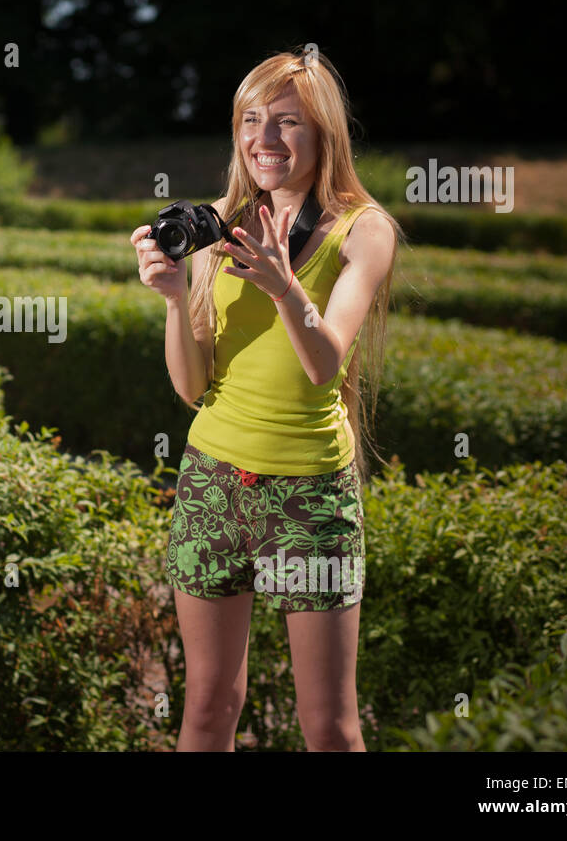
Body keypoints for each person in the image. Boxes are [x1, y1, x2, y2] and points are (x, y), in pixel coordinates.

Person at [130, 48, 403, 751]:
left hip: (309, 494)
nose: (264, 139)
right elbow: (193, 387)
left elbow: (323, 365)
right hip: (211, 483)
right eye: (251, 120)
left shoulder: (361, 231)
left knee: (330, 726)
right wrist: (171, 297)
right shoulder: (221, 220)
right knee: (209, 709)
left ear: (323, 136)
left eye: (287, 124)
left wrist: (286, 288)